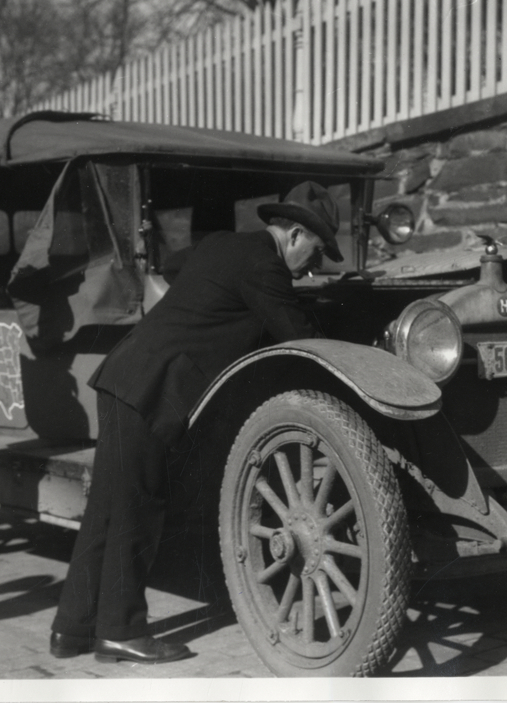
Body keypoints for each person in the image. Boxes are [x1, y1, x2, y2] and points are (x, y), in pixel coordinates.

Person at [49, 181, 340, 665]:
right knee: (138, 510)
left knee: (105, 511)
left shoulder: (224, 244)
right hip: (150, 390)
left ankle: (71, 629)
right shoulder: (265, 266)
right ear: (292, 235)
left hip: (126, 379)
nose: (313, 264)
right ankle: (120, 632)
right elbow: (299, 336)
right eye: (314, 250)